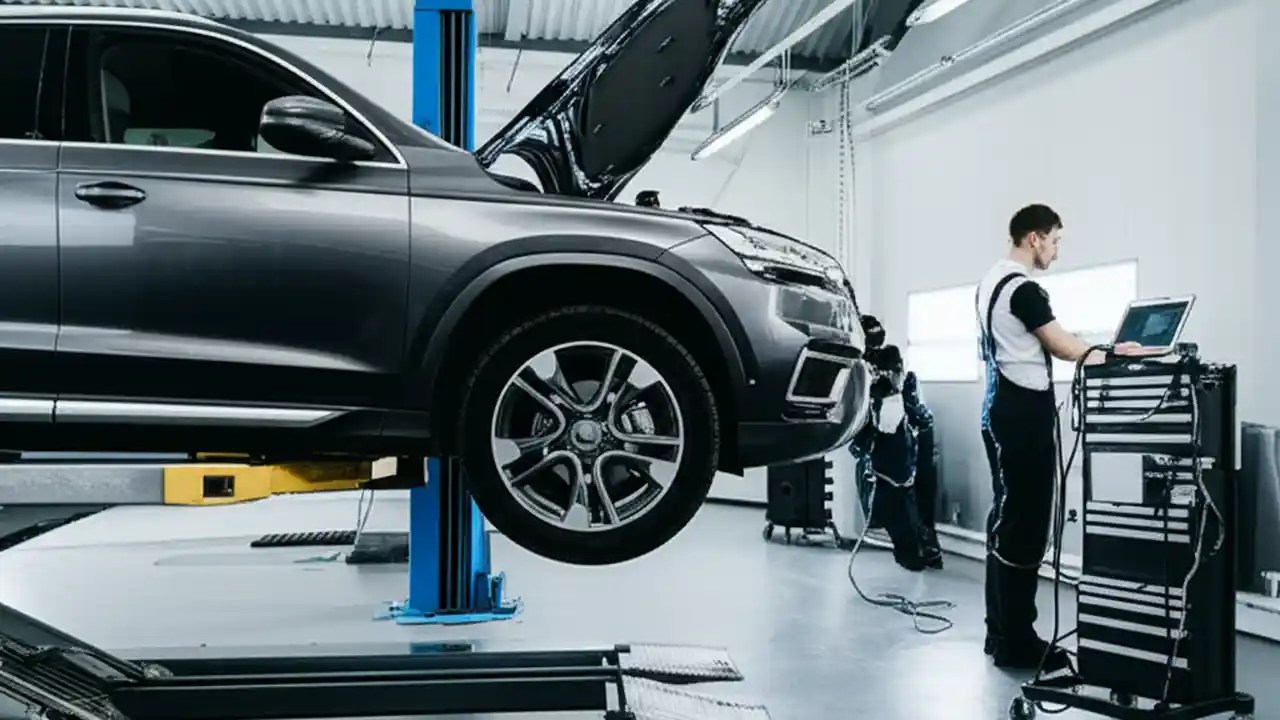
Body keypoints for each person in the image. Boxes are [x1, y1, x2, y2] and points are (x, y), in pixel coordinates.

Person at [977, 204, 1147, 670]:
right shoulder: (1025, 289)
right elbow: (1064, 346)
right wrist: (1113, 352)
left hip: (996, 409)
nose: (1056, 250)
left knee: (1005, 520)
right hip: (1022, 417)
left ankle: (1000, 633)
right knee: (1027, 527)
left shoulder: (990, 281)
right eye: (1054, 240)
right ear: (1033, 238)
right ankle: (1017, 642)